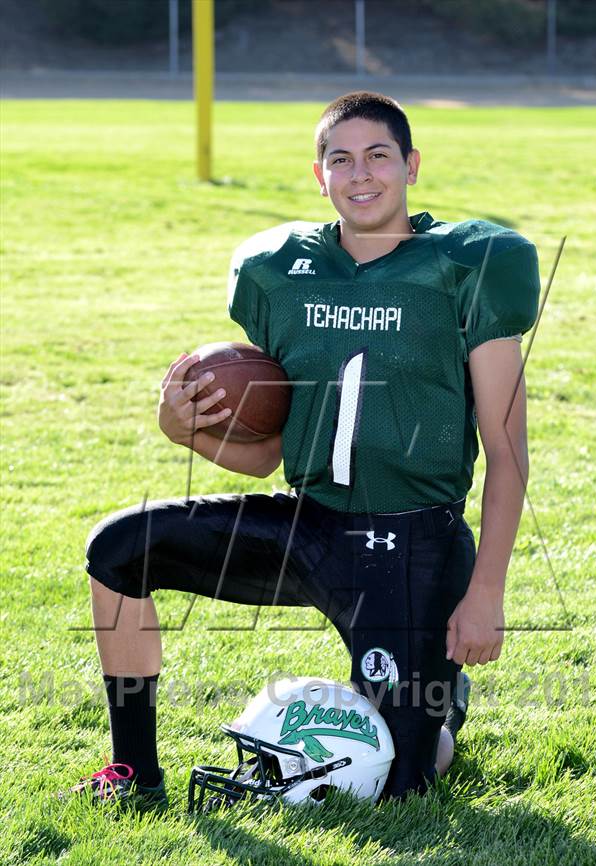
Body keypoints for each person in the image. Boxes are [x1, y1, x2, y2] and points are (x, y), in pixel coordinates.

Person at [68, 91, 540, 810]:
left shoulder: (468, 267)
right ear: (319, 176)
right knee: (118, 549)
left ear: (410, 165)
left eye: (379, 155)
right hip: (311, 523)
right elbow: (263, 456)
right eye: (340, 159)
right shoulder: (279, 271)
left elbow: (507, 454)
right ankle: (134, 770)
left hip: (414, 543)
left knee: (403, 780)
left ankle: (441, 708)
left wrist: (486, 593)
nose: (361, 174)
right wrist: (183, 430)